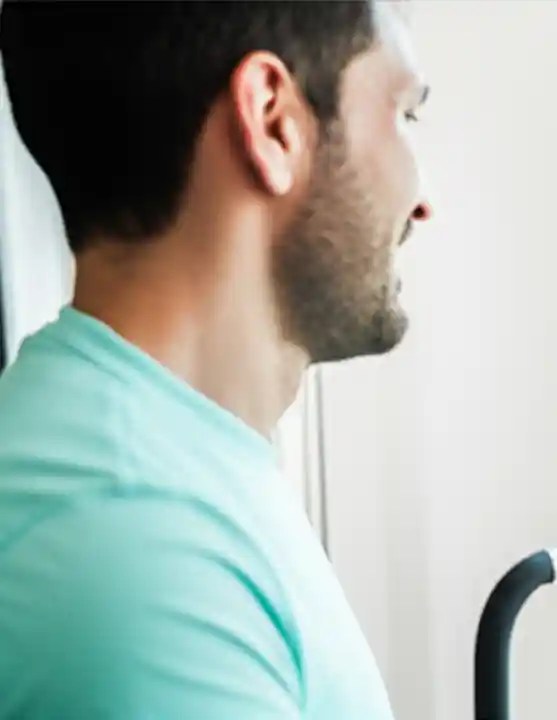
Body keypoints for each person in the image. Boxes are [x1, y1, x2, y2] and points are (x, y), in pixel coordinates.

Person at [0, 1, 430, 717]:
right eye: (405, 115)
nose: (424, 201)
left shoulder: (163, 467)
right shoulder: (139, 548)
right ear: (272, 120)